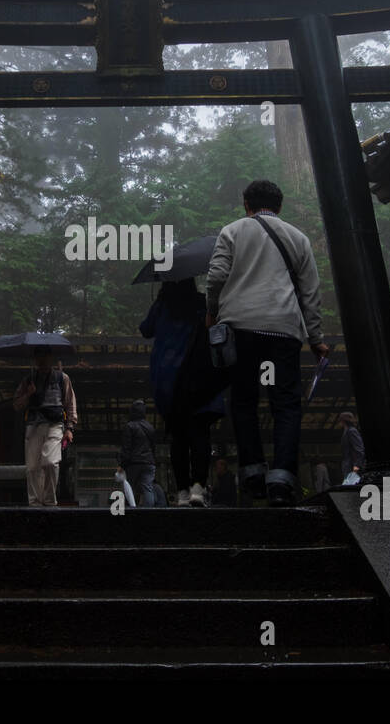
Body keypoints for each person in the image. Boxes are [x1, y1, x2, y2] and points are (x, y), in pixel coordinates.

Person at [206, 179, 329, 506]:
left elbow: (216, 277)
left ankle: (253, 475)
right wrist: (316, 339)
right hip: (283, 330)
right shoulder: (298, 238)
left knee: (243, 401)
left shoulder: (232, 231)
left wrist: (211, 313)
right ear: (280, 206)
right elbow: (310, 295)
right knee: (286, 405)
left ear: (246, 204)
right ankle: (282, 481)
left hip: (240, 328)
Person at [139, 278, 228, 507]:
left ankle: (182, 493)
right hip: (199, 377)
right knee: (200, 434)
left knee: (178, 437)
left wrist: (157, 299)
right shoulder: (201, 303)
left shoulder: (162, 306)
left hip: (170, 383)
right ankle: (198, 488)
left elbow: (145, 329)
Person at [12, 347, 78, 506]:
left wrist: (70, 427)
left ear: (51, 358)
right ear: (35, 359)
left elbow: (70, 403)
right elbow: (16, 405)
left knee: (50, 462)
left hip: (54, 425)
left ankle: (49, 501)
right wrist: (29, 394)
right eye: (39, 357)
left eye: (45, 357)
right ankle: (34, 503)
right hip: (33, 425)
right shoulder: (29, 380)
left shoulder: (62, 378)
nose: (42, 361)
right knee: (32, 467)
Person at [119, 399, 157, 507]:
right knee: (147, 488)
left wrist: (122, 465)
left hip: (133, 463)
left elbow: (126, 448)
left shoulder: (129, 426)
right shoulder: (150, 427)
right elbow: (154, 447)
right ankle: (148, 513)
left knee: (129, 488)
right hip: (149, 463)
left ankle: (130, 512)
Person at [336, 412, 364, 482]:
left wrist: (357, 465)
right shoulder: (347, 431)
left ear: (343, 421)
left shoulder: (351, 431)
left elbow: (359, 448)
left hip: (352, 466)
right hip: (348, 466)